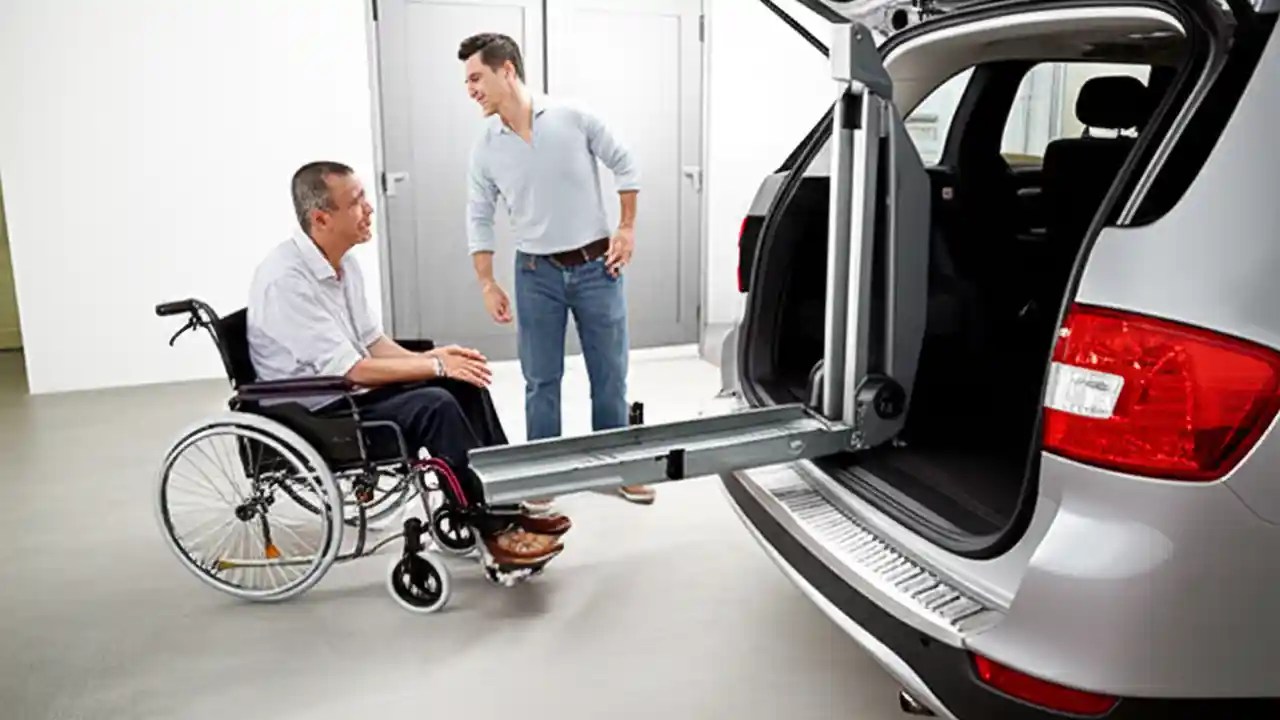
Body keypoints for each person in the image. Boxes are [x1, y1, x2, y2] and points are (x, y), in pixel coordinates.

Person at [246, 160, 570, 568]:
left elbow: (372, 344)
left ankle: (504, 504)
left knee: (465, 382)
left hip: (349, 390)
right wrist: (434, 368)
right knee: (435, 404)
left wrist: (437, 358)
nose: (369, 209)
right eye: (357, 202)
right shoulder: (286, 281)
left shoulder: (342, 263)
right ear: (322, 218)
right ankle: (493, 529)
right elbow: (353, 369)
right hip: (319, 411)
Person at [458, 32, 655, 507]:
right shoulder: (485, 147)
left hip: (597, 269)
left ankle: (617, 468)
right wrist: (487, 281)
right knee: (540, 380)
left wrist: (625, 229)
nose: (471, 89)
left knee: (609, 374)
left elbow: (626, 165)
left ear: (507, 70)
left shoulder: (574, 117)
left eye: (476, 77)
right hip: (535, 275)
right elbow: (478, 216)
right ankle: (544, 475)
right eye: (467, 81)